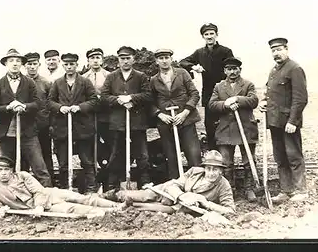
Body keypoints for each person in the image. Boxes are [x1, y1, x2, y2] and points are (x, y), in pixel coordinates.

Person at [0, 156, 131, 219]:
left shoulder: (23, 176)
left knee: (80, 198)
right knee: (72, 209)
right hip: (42, 208)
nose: (3, 174)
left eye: (5, 170)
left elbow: (38, 191)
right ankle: (107, 213)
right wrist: (2, 212)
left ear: (11, 171)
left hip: (49, 195)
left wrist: (39, 205)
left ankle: (116, 206)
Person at [0, 48, 52, 187]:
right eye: (11, 61)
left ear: (22, 64)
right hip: (6, 134)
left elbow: (38, 104)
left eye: (18, 61)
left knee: (39, 167)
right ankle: (11, 196)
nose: (15, 64)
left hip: (27, 132)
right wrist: (8, 107)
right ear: (6, 63)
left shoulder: (29, 82)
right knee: (7, 168)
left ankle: (48, 195)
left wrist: (24, 106)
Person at [102, 150, 235, 215]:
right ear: (204, 168)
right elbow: (174, 184)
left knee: (145, 208)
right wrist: (181, 196)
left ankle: (108, 208)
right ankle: (107, 196)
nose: (211, 172)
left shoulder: (223, 185)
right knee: (141, 196)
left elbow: (230, 210)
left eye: (215, 170)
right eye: (209, 168)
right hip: (166, 192)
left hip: (179, 207)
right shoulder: (195, 171)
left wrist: (205, 202)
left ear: (221, 171)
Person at [259, 38, 308, 203]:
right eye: (273, 50)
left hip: (288, 123)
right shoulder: (274, 70)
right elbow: (270, 93)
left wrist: (293, 121)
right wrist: (264, 102)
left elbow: (300, 98)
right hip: (275, 122)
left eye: (279, 49)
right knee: (280, 158)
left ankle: (301, 191)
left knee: (294, 156)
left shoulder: (295, 69)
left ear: (286, 49)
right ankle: (286, 191)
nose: (276, 53)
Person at [100, 46, 153, 190]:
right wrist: (118, 100)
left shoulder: (140, 76)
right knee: (116, 153)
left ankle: (146, 182)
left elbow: (148, 95)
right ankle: (112, 183)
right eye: (122, 59)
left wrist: (131, 98)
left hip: (137, 121)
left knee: (142, 153)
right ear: (118, 60)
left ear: (133, 59)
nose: (125, 61)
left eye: (128, 58)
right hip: (118, 122)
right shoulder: (111, 76)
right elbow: (104, 96)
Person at [208, 57, 259, 202]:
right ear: (225, 71)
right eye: (229, 69)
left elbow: (254, 101)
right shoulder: (219, 86)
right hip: (226, 129)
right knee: (226, 163)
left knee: (248, 161)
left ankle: (249, 189)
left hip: (245, 127)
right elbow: (211, 105)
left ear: (240, 70)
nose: (232, 72)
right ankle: (229, 189)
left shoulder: (248, 84)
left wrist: (237, 99)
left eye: (235, 69)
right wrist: (225, 104)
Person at [179, 23, 234, 151]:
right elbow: (183, 62)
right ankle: (213, 156)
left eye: (211, 34)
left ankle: (227, 156)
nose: (209, 37)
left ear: (216, 34)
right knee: (209, 126)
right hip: (208, 93)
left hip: (224, 92)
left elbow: (232, 68)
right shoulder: (200, 52)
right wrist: (194, 67)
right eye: (206, 34)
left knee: (226, 124)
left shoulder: (225, 51)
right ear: (203, 36)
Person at [48, 53, 98, 193]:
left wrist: (80, 107)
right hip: (62, 128)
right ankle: (66, 188)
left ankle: (91, 188)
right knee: (63, 162)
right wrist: (60, 108)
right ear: (63, 66)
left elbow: (94, 100)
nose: (69, 67)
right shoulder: (57, 83)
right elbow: (50, 102)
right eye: (66, 65)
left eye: (72, 64)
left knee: (87, 160)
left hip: (82, 127)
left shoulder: (85, 82)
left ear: (76, 65)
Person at [149, 49, 202, 180]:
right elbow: (149, 102)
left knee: (194, 154)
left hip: (186, 120)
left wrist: (185, 113)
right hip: (166, 122)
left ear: (171, 59)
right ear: (157, 61)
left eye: (167, 57)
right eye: (161, 58)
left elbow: (194, 94)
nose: (164, 60)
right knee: (171, 156)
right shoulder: (154, 80)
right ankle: (175, 185)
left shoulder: (182, 73)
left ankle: (196, 184)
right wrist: (160, 115)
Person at [23, 52, 54, 180]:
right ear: (25, 66)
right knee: (25, 153)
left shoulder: (46, 83)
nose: (32, 67)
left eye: (34, 64)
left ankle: (49, 182)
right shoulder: (21, 82)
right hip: (26, 124)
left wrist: (50, 123)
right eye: (29, 64)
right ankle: (25, 181)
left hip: (43, 124)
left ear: (39, 65)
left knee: (45, 152)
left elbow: (51, 104)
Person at [82, 48, 112, 173]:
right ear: (88, 61)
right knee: (90, 141)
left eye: (98, 58)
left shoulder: (109, 76)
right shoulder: (83, 77)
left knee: (109, 139)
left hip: (106, 115)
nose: (95, 61)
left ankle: (109, 167)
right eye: (92, 58)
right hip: (89, 115)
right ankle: (93, 168)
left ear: (102, 60)